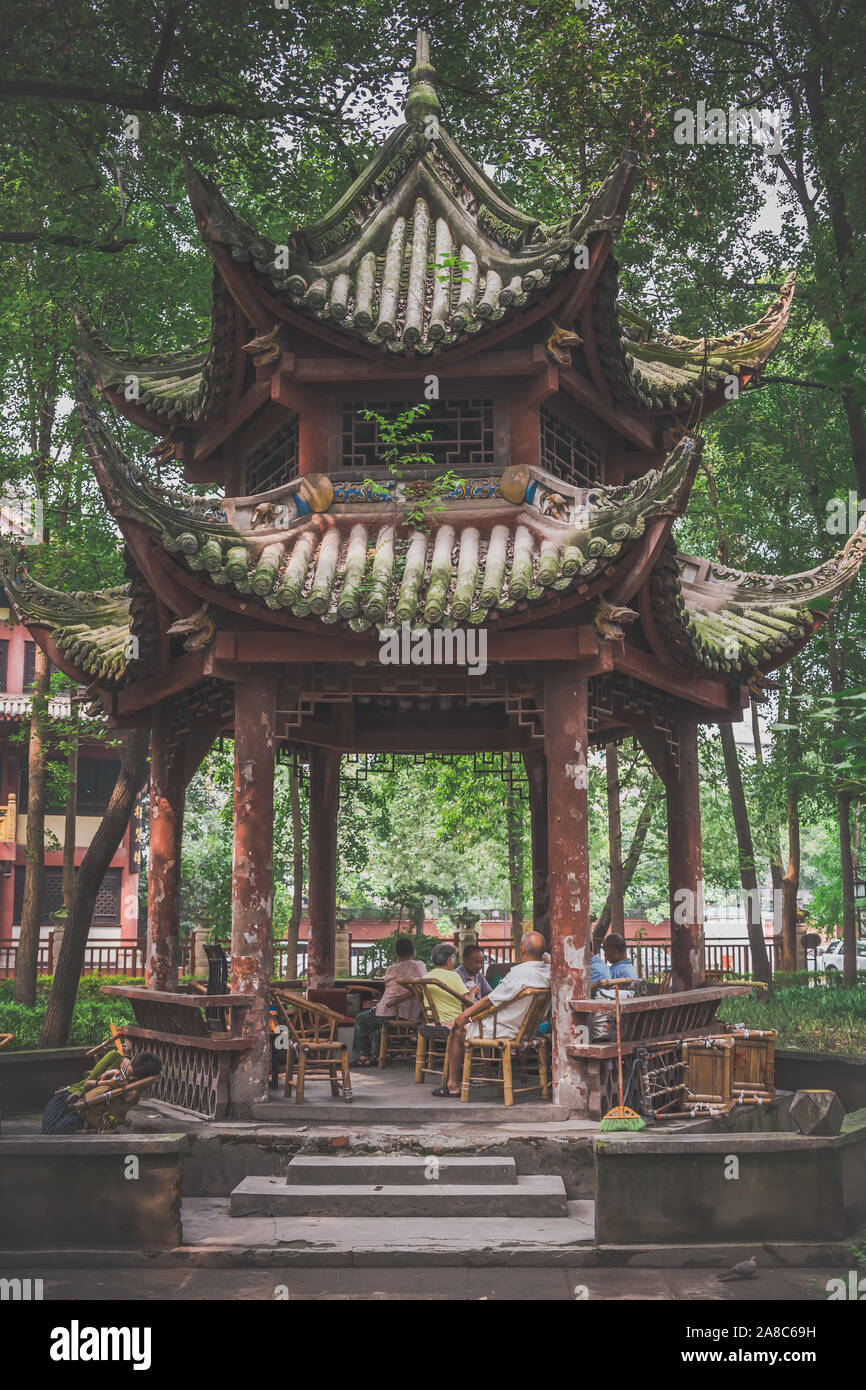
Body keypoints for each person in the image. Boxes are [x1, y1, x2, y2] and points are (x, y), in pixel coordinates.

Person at [434, 931, 550, 1097]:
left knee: (457, 1029)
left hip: (505, 1030)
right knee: (462, 1023)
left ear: (522, 950)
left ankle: (452, 1084)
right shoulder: (550, 971)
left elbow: (490, 1000)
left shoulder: (518, 974)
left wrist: (464, 1016)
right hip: (528, 1031)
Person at [41, 1048, 162, 1134]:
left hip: (89, 1113)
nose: (130, 1079)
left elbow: (126, 1105)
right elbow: (87, 1084)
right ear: (133, 1059)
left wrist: (141, 1087)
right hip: (71, 1097)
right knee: (48, 1134)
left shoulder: (141, 1081)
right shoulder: (113, 1057)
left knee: (61, 1130)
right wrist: (109, 1083)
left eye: (135, 1079)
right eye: (130, 1073)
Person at [350, 936, 426, 1066]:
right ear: (413, 952)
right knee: (380, 1026)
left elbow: (387, 989)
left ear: (396, 954)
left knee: (361, 1018)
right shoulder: (421, 966)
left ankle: (364, 1056)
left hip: (391, 1012)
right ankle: (376, 1054)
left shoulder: (391, 969)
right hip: (414, 1014)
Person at [424, 941, 471, 1024]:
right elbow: (468, 1001)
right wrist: (473, 991)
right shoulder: (454, 976)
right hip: (454, 1020)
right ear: (449, 961)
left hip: (432, 1021)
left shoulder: (425, 977)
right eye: (454, 958)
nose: (455, 961)